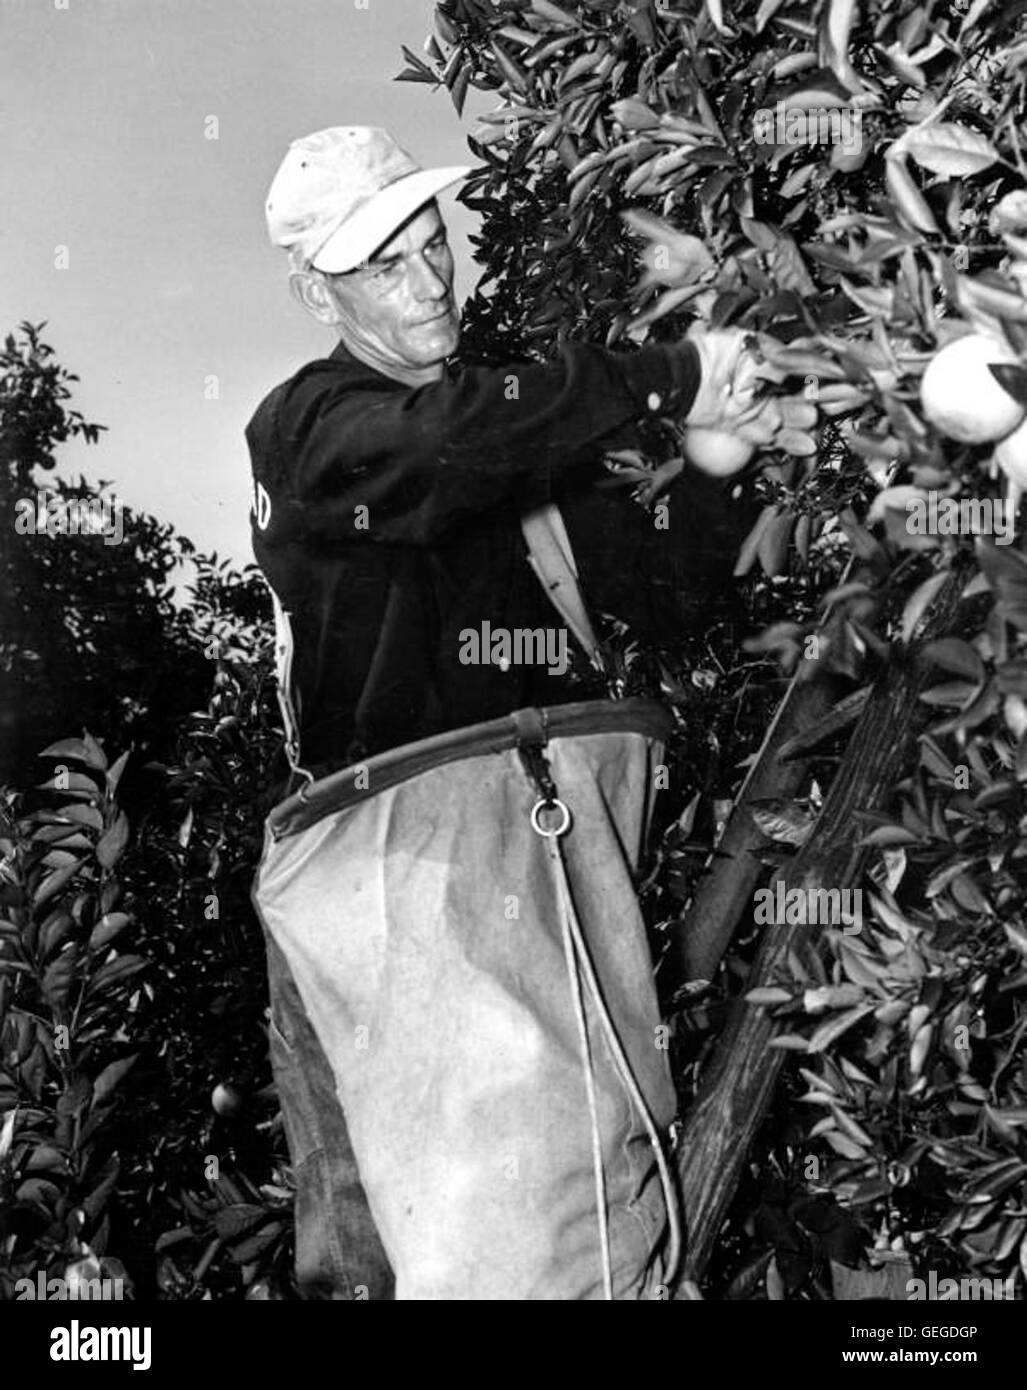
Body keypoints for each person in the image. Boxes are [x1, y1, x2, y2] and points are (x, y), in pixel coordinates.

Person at [246, 126, 803, 1300]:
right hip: (409, 871)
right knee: (503, 1231)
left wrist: (713, 464)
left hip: (537, 842)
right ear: (315, 292)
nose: (430, 277)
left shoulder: (503, 435)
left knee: (548, 1211)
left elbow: (655, 588)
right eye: (382, 265)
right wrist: (667, 375)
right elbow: (443, 451)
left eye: (430, 240)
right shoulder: (313, 427)